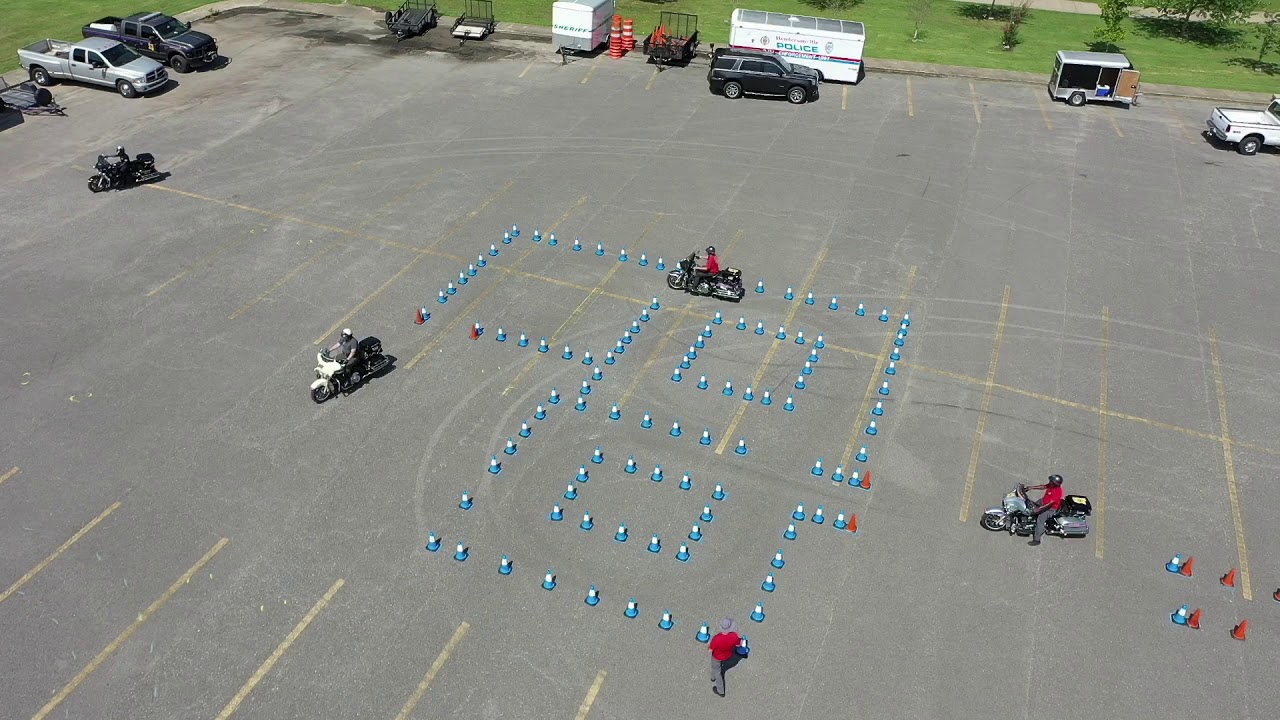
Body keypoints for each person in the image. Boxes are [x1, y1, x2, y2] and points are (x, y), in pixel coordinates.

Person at [708, 617, 742, 698]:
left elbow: (710, 650)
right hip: (727, 655)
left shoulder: (717, 638)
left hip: (717, 656)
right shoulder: (734, 636)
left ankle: (720, 691)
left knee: (717, 671)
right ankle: (712, 677)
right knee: (716, 668)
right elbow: (738, 644)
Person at [1027, 474, 1065, 546]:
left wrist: (1039, 509)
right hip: (1043, 501)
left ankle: (1037, 540)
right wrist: (1031, 487)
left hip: (1050, 509)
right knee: (1030, 505)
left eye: (1051, 481)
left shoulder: (1058, 492)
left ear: (1055, 483)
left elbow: (1049, 505)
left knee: (1040, 519)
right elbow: (1044, 486)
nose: (1049, 482)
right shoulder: (1052, 485)